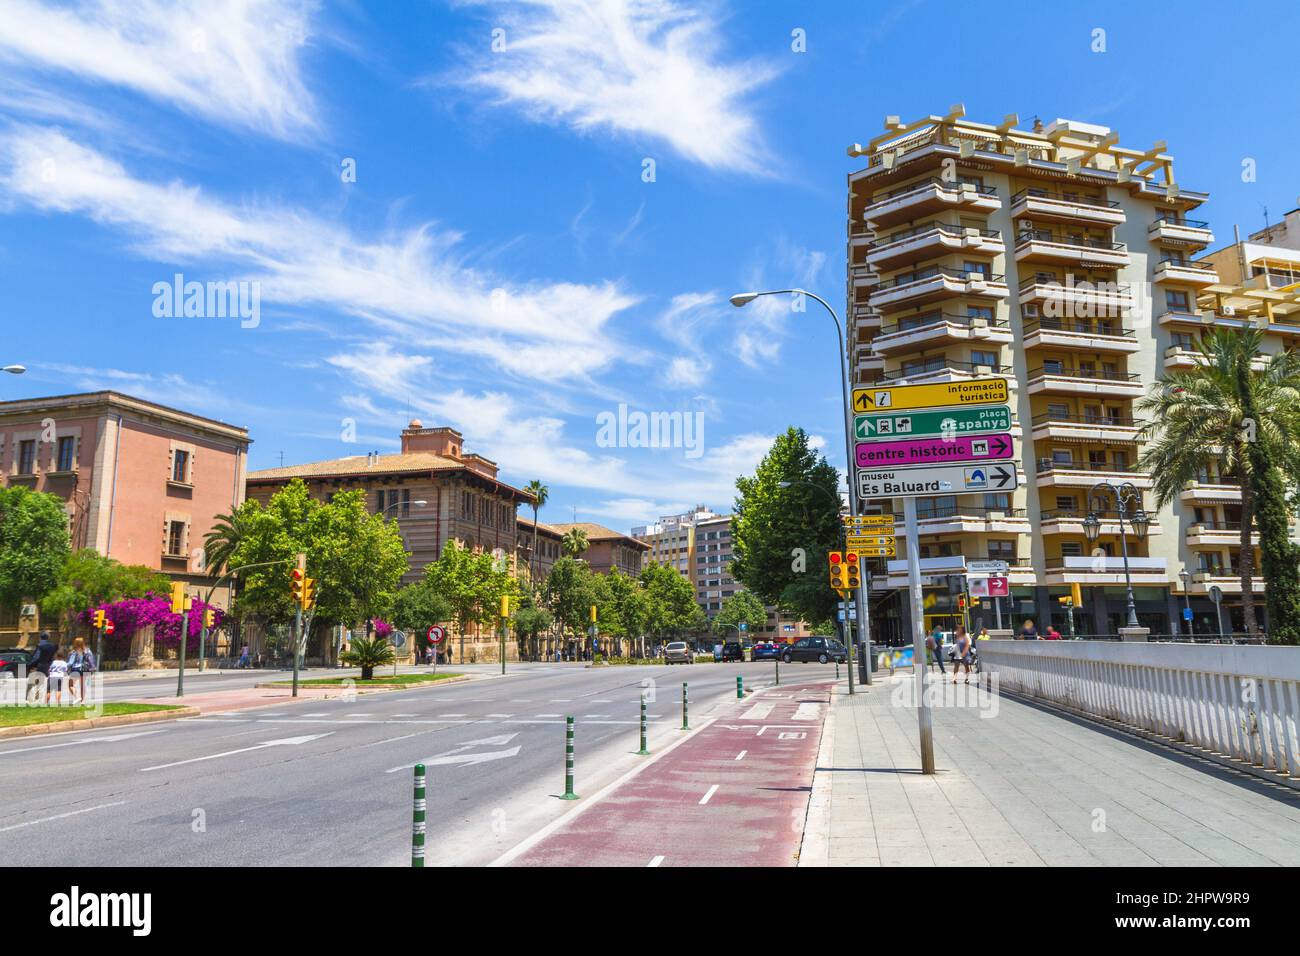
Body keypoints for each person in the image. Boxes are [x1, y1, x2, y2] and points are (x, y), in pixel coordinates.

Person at [25, 631, 56, 703]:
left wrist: (29, 665)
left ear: (40, 637)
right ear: (48, 637)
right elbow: (52, 658)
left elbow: (36, 657)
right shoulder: (52, 646)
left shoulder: (40, 646)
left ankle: (29, 700)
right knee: (40, 684)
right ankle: (37, 699)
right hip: (46, 667)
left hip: (37, 666)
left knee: (31, 683)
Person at [67, 637, 96, 704]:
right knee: (82, 685)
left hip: (76, 669)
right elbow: (91, 660)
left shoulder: (74, 652)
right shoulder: (88, 650)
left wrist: (66, 666)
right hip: (85, 669)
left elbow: (70, 663)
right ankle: (82, 701)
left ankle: (77, 698)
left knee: (70, 685)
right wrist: (92, 668)